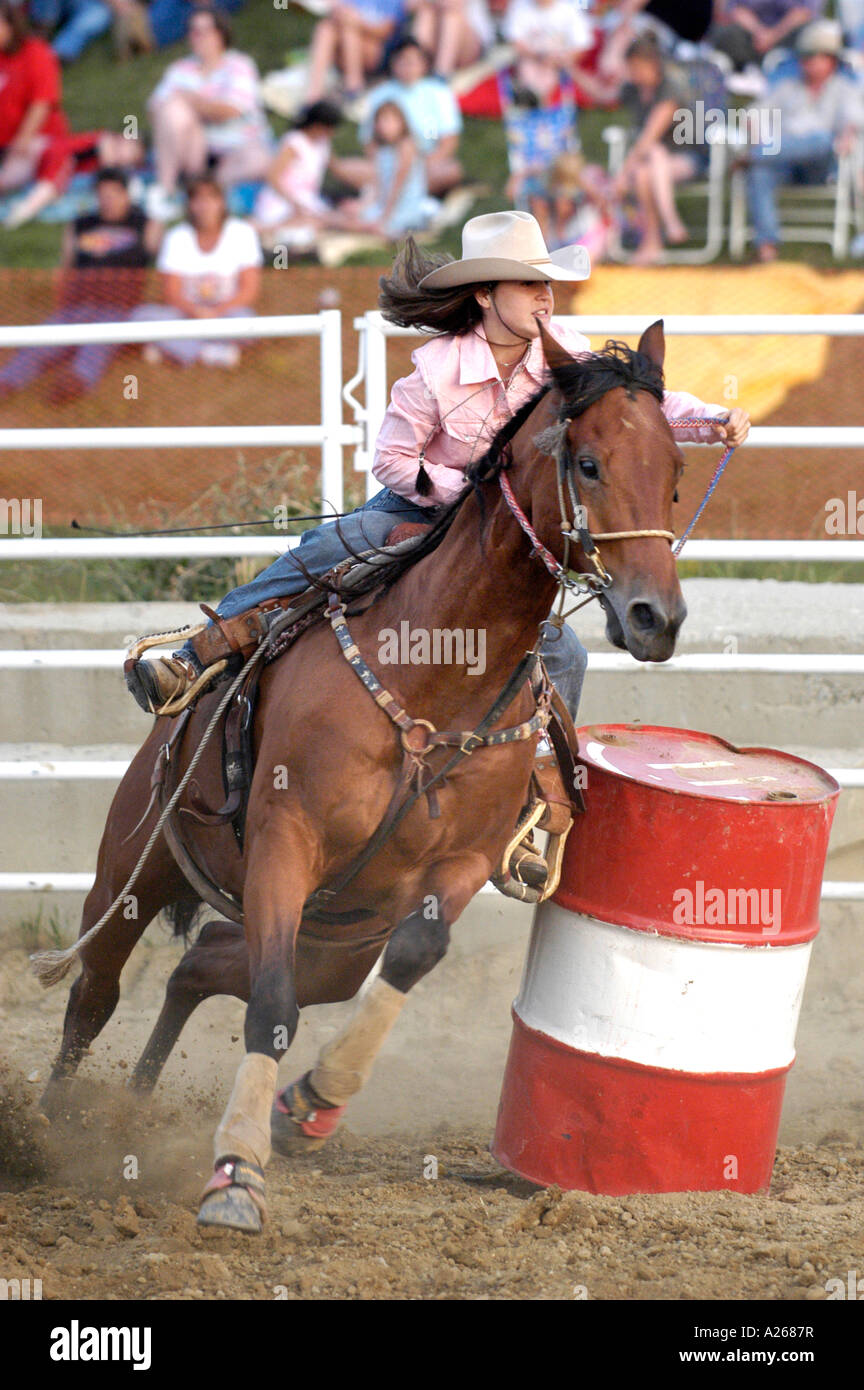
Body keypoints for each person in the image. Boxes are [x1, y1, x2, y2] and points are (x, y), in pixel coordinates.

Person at [0, 167, 159, 404]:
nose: (108, 201)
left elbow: (157, 259)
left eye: (114, 193)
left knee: (97, 344)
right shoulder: (81, 224)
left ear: (126, 194)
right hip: (78, 303)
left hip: (117, 306)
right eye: (103, 195)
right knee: (40, 343)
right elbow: (66, 266)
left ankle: (76, 381)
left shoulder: (144, 224)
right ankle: (8, 382)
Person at [744, 19, 863, 261]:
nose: (806, 63)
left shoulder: (844, 89)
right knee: (760, 170)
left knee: (820, 140)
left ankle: (750, 157)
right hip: (784, 162)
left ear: (830, 60)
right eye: (804, 57)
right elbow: (754, 112)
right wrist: (755, 133)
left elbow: (854, 121)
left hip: (822, 165)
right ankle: (767, 244)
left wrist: (848, 137)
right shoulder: (786, 87)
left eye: (813, 57)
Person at [145, 6, 272, 221]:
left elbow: (230, 110)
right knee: (174, 110)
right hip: (196, 147)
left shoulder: (239, 65)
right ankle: (166, 190)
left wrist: (191, 102)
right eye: (193, 31)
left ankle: (204, 191)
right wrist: (189, 111)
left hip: (238, 147)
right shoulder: (180, 69)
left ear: (220, 34)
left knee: (261, 160)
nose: (198, 37)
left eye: (204, 31)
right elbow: (155, 109)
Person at [131, 175, 261, 367]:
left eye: (211, 198)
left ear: (222, 202)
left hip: (226, 315)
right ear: (190, 204)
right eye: (198, 199)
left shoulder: (242, 233)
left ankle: (174, 348)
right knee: (141, 317)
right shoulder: (176, 237)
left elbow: (249, 290)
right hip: (185, 317)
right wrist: (196, 312)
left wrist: (216, 312)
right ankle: (207, 352)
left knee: (248, 322)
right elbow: (171, 294)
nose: (205, 206)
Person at [607, 33, 707, 264]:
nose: (632, 73)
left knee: (654, 153)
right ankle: (656, 238)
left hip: (688, 158)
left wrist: (621, 177)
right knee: (644, 171)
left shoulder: (671, 89)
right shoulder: (634, 89)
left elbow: (648, 138)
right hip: (652, 165)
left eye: (635, 67)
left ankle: (663, 228)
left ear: (652, 64)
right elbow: (603, 96)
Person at [357, 35, 464, 196]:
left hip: (424, 164)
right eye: (403, 62)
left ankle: (396, 193)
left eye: (413, 62)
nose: (408, 68)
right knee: (354, 169)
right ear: (393, 64)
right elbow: (370, 141)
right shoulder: (380, 94)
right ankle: (401, 192)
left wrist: (425, 162)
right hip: (388, 164)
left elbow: (447, 140)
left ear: (424, 65)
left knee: (451, 171)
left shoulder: (437, 93)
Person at [0, 0, 71, 228]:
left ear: (11, 25)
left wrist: (22, 140)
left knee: (61, 155)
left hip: (32, 144)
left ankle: (28, 207)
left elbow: (42, 102)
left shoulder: (35, 52)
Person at [343, 98, 439, 237]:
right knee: (350, 215)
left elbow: (398, 185)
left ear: (401, 122)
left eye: (388, 121)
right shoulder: (379, 149)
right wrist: (362, 206)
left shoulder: (407, 145)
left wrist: (385, 218)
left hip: (404, 206)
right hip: (384, 204)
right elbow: (377, 184)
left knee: (368, 226)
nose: (383, 126)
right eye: (379, 122)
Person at [252, 99, 343, 243]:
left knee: (328, 219)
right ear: (317, 125)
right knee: (310, 221)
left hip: (307, 199)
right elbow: (273, 176)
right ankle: (263, 228)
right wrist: (294, 203)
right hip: (283, 199)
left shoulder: (323, 144)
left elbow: (338, 168)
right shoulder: (294, 142)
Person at [305, 0, 408, 103]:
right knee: (326, 28)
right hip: (346, 45)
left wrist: (358, 23)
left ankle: (354, 85)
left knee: (350, 29)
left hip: (377, 53)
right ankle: (314, 94)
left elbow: (386, 31)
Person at [503, 0, 593, 105]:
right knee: (528, 67)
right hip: (530, 57)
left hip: (557, 60)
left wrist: (560, 60)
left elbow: (581, 46)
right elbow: (515, 42)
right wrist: (539, 56)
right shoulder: (519, 6)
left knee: (549, 72)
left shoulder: (570, 9)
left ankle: (533, 98)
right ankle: (532, 97)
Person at [407, 0, 494, 79]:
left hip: (471, 45)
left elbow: (451, 3)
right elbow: (410, 5)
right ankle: (417, 71)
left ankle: (441, 75)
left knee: (451, 16)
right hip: (436, 43)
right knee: (425, 13)